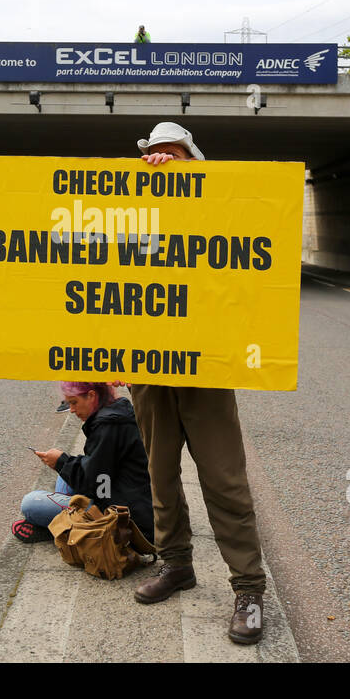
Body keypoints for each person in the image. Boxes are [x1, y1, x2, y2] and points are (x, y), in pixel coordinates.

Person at [126, 121, 269, 646]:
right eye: (154, 154)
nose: (159, 161)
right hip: (148, 362)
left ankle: (249, 588)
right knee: (161, 475)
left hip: (205, 363)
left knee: (223, 478)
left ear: (192, 158)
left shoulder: (215, 200)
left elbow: (236, 222)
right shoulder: (131, 207)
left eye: (172, 154)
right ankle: (177, 565)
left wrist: (185, 183)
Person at [14, 382, 154, 547]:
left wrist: (60, 462)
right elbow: (102, 473)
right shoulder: (116, 412)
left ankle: (67, 527)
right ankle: (67, 524)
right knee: (64, 478)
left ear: (92, 396)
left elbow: (97, 486)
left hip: (123, 516)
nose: (72, 410)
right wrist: (64, 463)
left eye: (74, 402)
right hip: (120, 493)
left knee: (30, 504)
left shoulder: (108, 426)